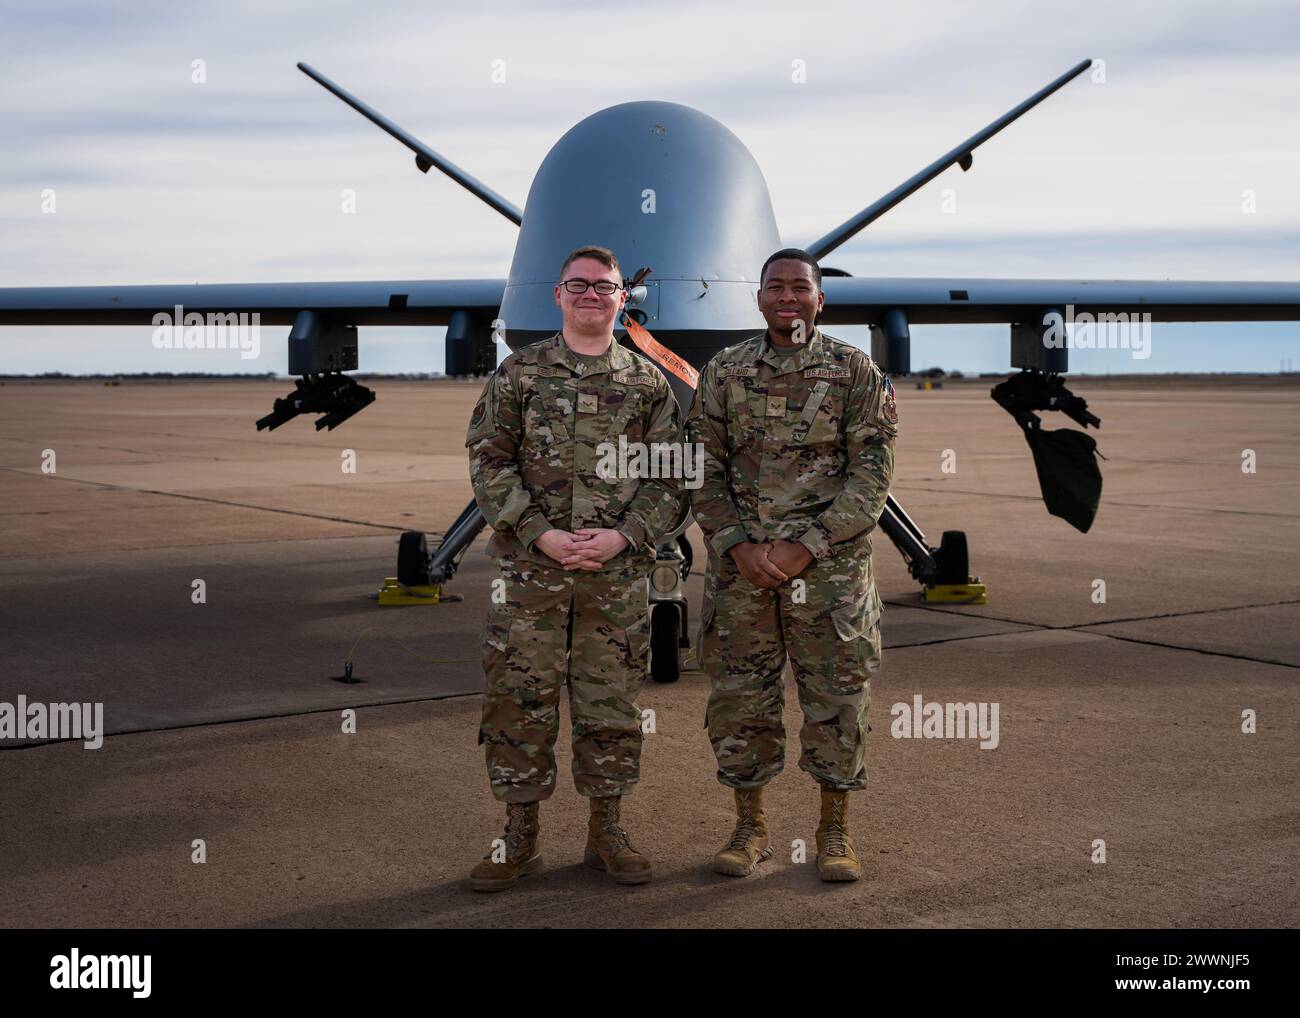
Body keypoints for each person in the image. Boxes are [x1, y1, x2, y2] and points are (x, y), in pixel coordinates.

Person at [465, 245, 685, 891]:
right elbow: (488, 460)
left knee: (609, 707)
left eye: (604, 287)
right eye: (578, 285)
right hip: (531, 578)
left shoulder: (647, 384)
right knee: (517, 706)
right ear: (557, 296)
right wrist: (541, 534)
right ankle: (519, 836)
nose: (591, 295)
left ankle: (607, 831)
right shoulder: (521, 374)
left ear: (623, 300)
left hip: (613, 581)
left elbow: (671, 477)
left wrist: (625, 537)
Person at [686, 247, 897, 882]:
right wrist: (738, 546)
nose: (787, 297)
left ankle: (835, 831)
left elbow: (872, 475)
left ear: (819, 298)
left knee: (837, 701)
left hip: (829, 575)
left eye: (799, 287)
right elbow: (703, 468)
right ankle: (749, 827)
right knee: (740, 700)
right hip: (742, 574)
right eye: (775, 287)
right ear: (758, 299)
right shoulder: (723, 372)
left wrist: (807, 545)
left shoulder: (855, 372)